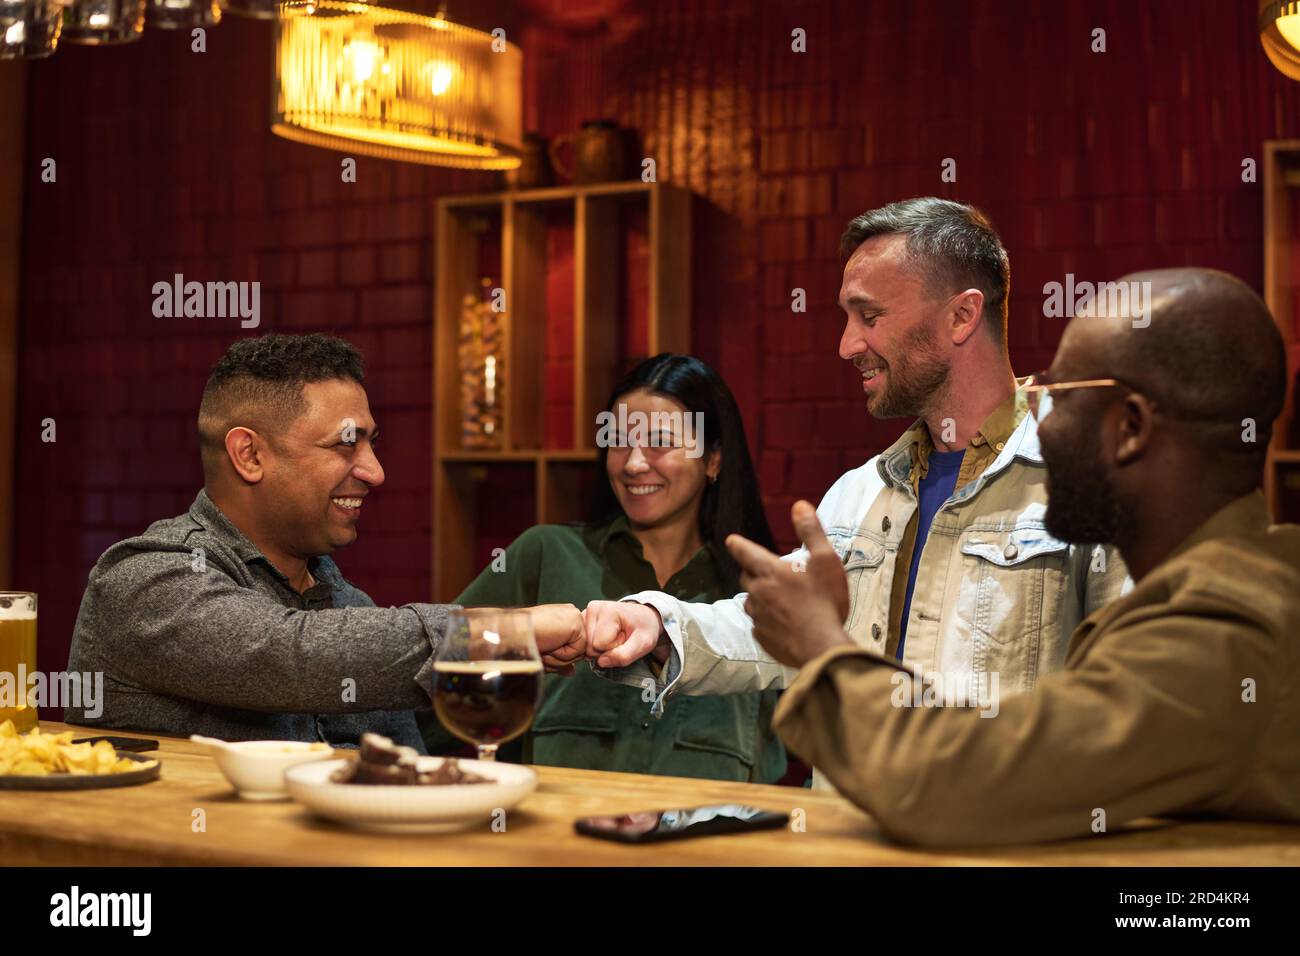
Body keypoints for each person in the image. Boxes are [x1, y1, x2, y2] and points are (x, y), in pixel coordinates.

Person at [729, 268, 1300, 845]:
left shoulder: (1229, 625)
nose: (1038, 426)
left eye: (1057, 395)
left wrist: (822, 646)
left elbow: (958, 783)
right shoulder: (1224, 589)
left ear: (1130, 428)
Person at [583, 199, 1129, 771]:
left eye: (869, 317)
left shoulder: (1083, 486)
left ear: (962, 316)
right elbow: (780, 629)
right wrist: (655, 624)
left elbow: (1125, 710)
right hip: (847, 837)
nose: (847, 345)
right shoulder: (857, 493)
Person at [65, 334, 584, 748]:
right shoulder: (144, 578)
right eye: (345, 444)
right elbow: (288, 655)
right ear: (249, 456)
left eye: (371, 443)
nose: (376, 472)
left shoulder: (347, 603)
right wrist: (503, 631)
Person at [421, 354, 786, 782]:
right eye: (618, 441)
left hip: (710, 847)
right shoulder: (545, 554)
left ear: (713, 460)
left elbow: (815, 756)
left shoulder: (756, 596)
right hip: (552, 844)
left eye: (660, 442)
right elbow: (427, 697)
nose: (632, 464)